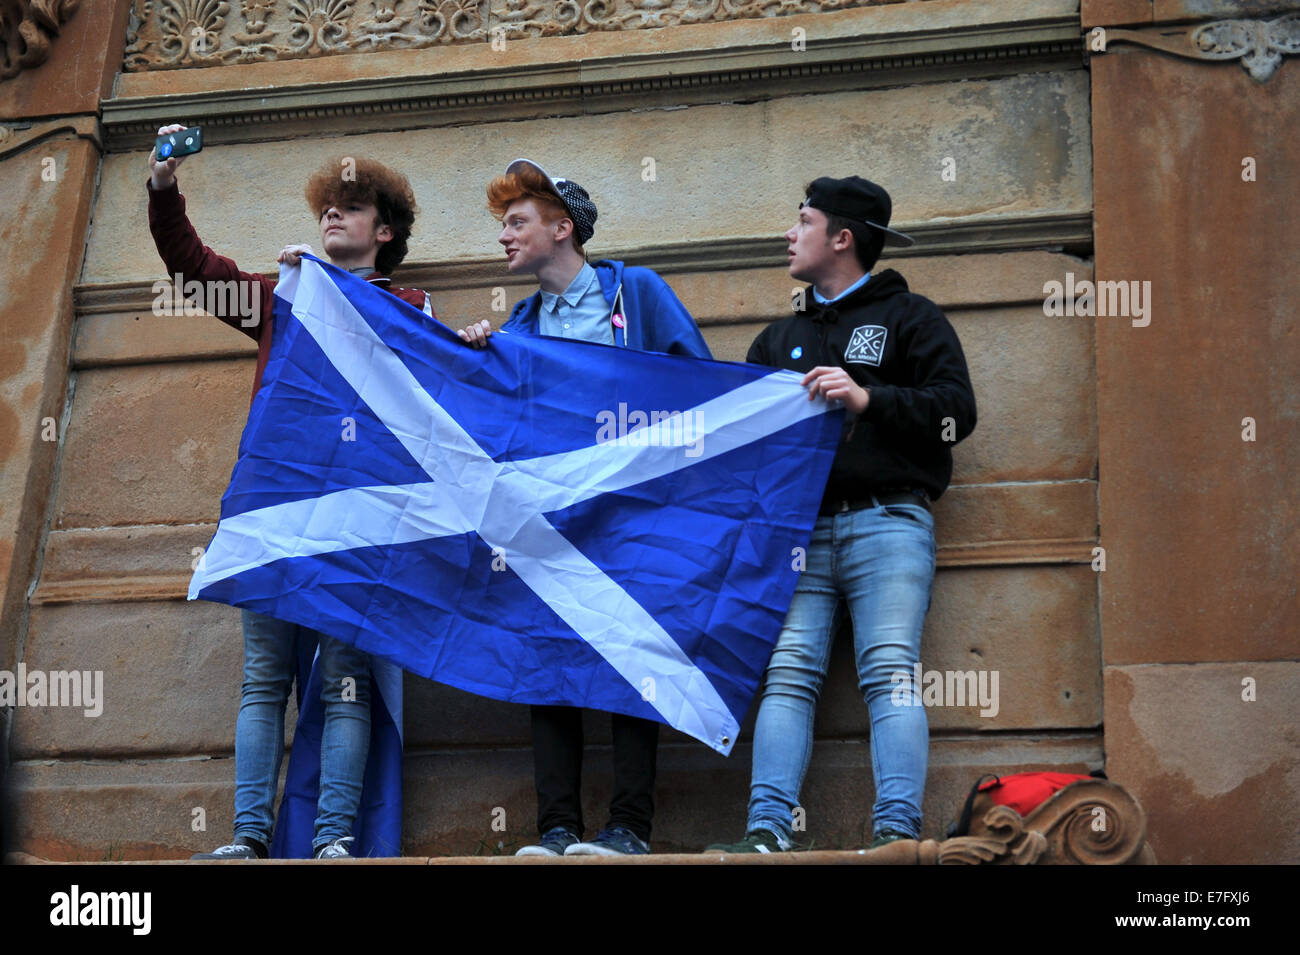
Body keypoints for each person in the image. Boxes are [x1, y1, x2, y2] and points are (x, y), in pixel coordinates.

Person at [147, 124, 435, 860]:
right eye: (327, 207)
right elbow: (194, 269)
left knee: (343, 679)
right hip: (275, 509)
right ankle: (247, 838)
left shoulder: (408, 304)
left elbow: (438, 401)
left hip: (358, 517)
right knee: (264, 679)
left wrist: (464, 337)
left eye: (352, 205)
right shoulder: (284, 294)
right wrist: (161, 188)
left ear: (386, 229)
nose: (332, 215)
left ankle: (333, 840)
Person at [705, 175, 976, 853]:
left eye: (803, 221)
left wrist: (868, 399)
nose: (789, 235)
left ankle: (896, 835)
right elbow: (745, 447)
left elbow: (956, 413)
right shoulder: (778, 338)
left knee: (890, 669)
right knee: (788, 672)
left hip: (889, 521)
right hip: (794, 536)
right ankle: (766, 831)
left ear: (842, 238)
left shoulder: (913, 318)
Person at [459, 159, 711, 855]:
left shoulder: (638, 291)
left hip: (634, 519)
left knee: (636, 662)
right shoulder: (522, 321)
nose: (503, 237)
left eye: (517, 222)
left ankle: (628, 828)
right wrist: (483, 357)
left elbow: (698, 385)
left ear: (561, 228)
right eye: (503, 225)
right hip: (551, 525)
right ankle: (558, 828)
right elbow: (504, 424)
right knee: (549, 664)